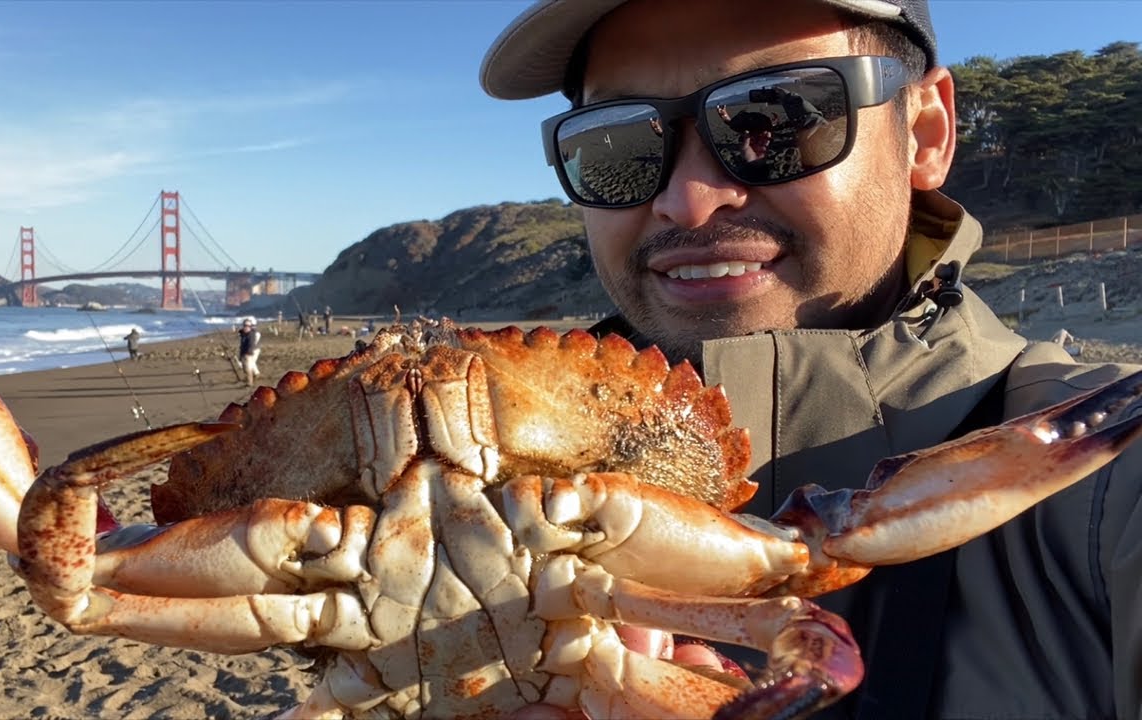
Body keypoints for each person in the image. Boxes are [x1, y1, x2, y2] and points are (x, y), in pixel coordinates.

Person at [480, 1, 1142, 718]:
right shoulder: (450, 486)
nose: (689, 201)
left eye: (774, 119)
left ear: (925, 133)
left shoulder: (1111, 494)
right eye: (615, 147)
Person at [237, 317, 261, 387]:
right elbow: (241, 333)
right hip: (243, 353)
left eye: (247, 326)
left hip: (250, 353)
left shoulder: (253, 334)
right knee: (245, 367)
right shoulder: (244, 334)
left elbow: (252, 344)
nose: (246, 327)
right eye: (244, 325)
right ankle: (253, 376)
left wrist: (249, 352)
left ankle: (250, 381)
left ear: (251, 326)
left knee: (249, 366)